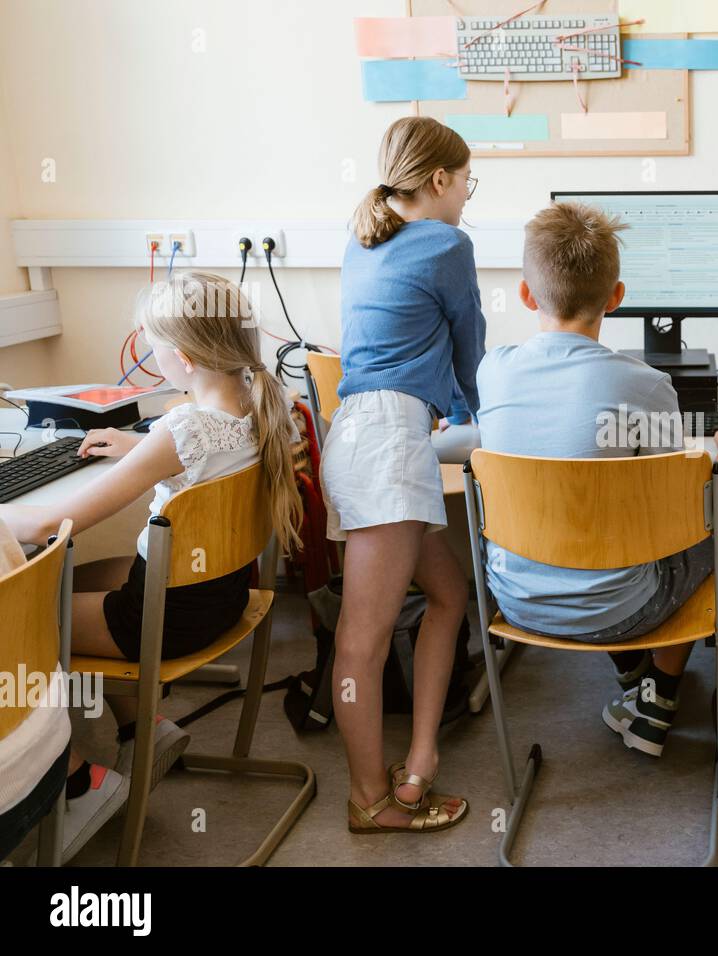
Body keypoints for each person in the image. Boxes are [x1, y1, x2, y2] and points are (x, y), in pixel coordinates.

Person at [0, 270, 303, 859]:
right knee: (64, 578)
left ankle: (81, 777)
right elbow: (204, 452)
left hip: (159, 619)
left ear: (183, 358)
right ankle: (148, 726)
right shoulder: (265, 403)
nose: (149, 355)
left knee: (24, 621)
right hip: (222, 598)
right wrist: (138, 447)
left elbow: (47, 526)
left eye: (152, 345)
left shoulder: (183, 426)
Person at [475, 201, 718, 757]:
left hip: (515, 603)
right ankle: (658, 704)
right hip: (620, 611)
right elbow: (680, 518)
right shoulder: (647, 386)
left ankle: (637, 681)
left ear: (527, 295)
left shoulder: (495, 370)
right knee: (698, 539)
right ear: (616, 297)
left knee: (596, 529)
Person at [320, 116, 483, 833]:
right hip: (388, 444)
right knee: (363, 638)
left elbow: (404, 336)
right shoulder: (448, 242)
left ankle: (419, 765)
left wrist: (441, 405)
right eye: (467, 181)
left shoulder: (366, 239)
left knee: (449, 595)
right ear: (441, 179)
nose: (469, 196)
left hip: (364, 432)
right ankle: (369, 801)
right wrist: (487, 415)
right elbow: (468, 340)